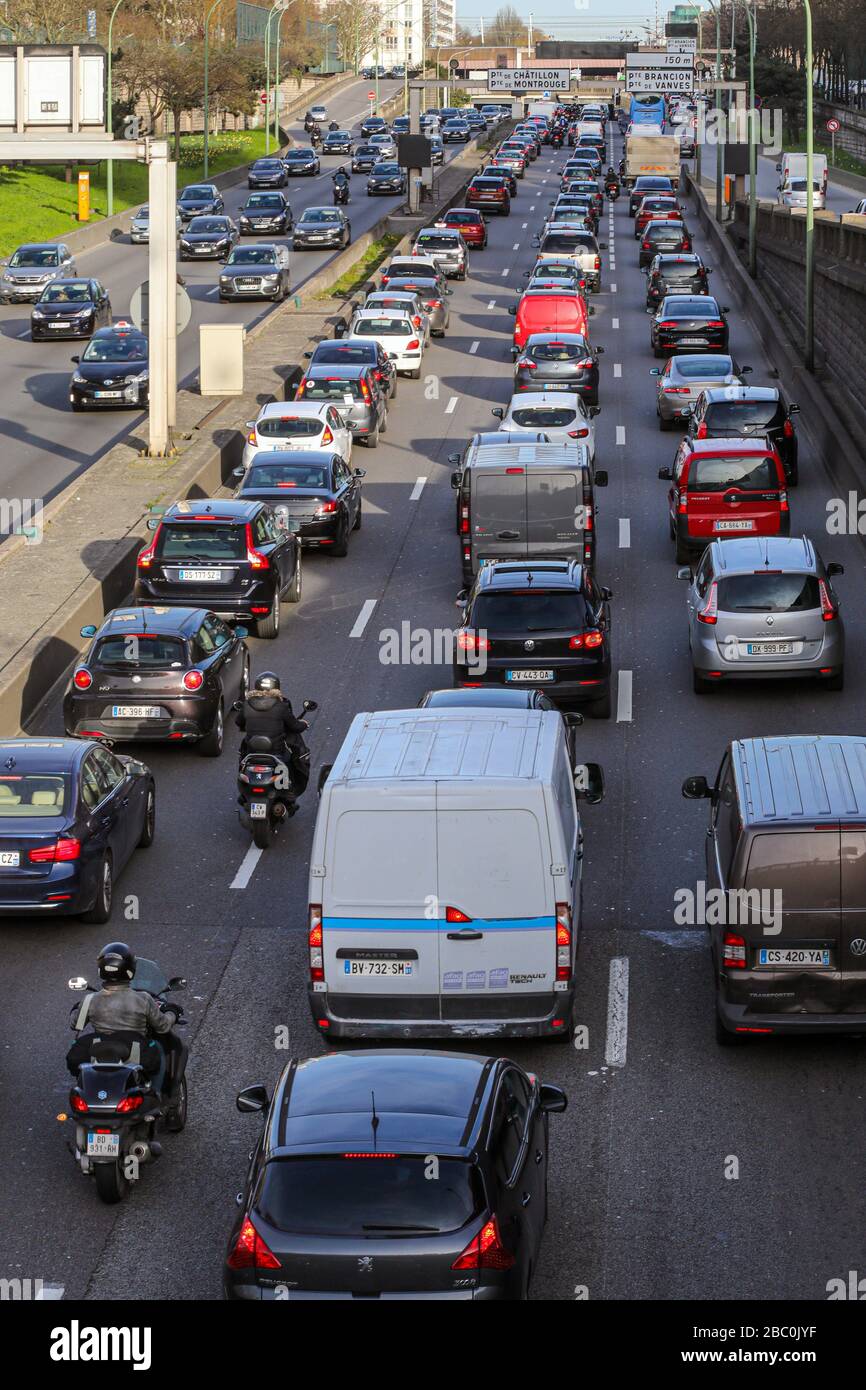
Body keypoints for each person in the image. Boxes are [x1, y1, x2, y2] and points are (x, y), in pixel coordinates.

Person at [67, 942, 186, 1110]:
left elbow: (75, 1024)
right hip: (134, 1049)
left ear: (101, 970)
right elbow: (163, 1027)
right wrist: (172, 1012)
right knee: (159, 1050)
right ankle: (160, 1096)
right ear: (130, 969)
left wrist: (78, 1007)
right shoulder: (143, 999)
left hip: (100, 1049)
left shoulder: (91, 999)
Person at [235, 672, 311, 795]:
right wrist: (304, 724)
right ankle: (288, 789)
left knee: (241, 759)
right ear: (277, 688)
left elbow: (238, 722)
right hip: (276, 753)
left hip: (252, 752)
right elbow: (295, 726)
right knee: (293, 760)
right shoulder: (281, 706)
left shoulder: (247, 705)